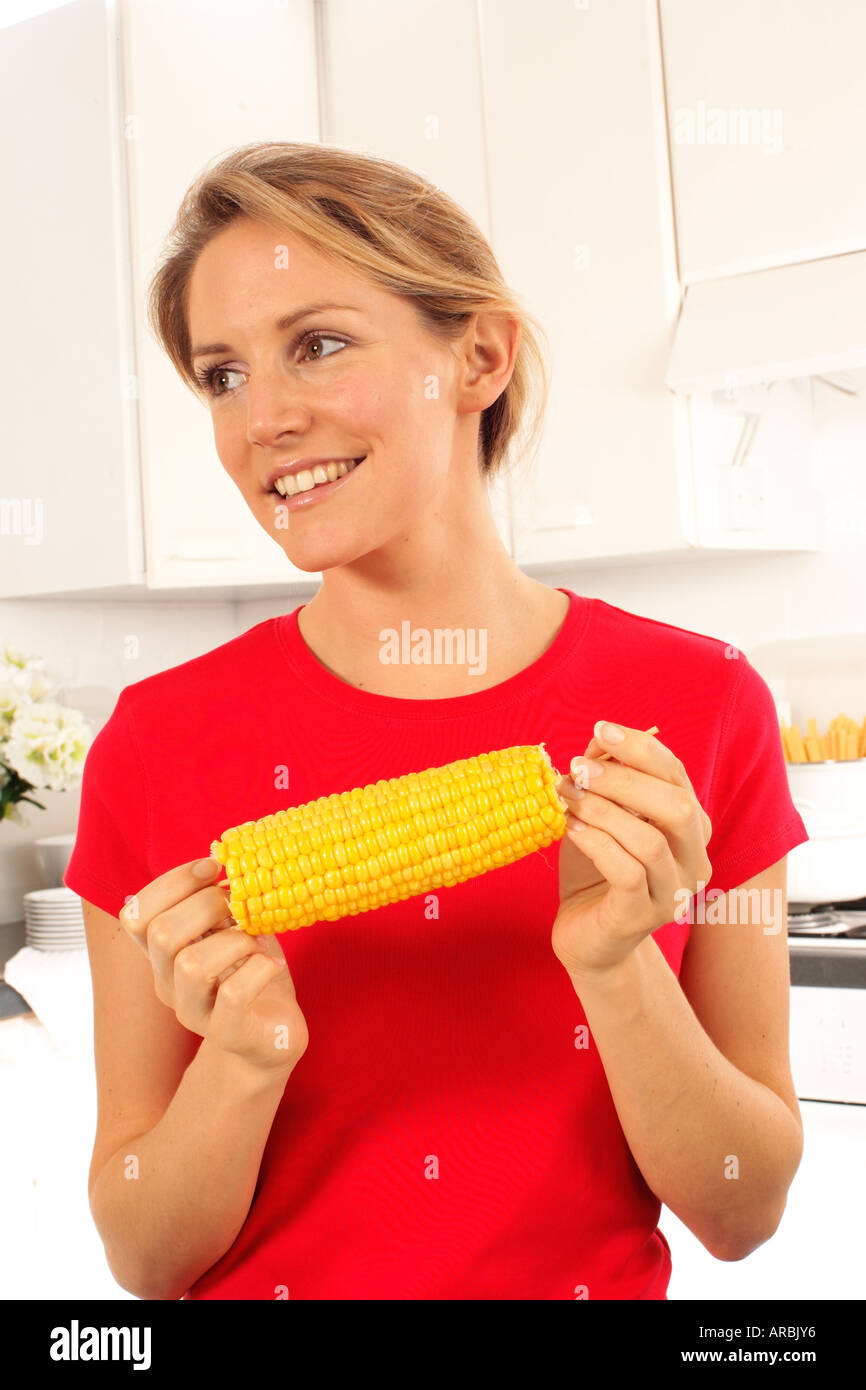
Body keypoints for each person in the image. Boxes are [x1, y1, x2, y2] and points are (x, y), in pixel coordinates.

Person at [64, 141, 808, 1301]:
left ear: (477, 354)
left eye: (316, 344)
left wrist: (614, 966)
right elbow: (146, 1261)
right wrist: (244, 1062)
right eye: (221, 375)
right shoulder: (157, 741)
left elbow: (743, 1207)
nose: (261, 419)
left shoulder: (699, 702)